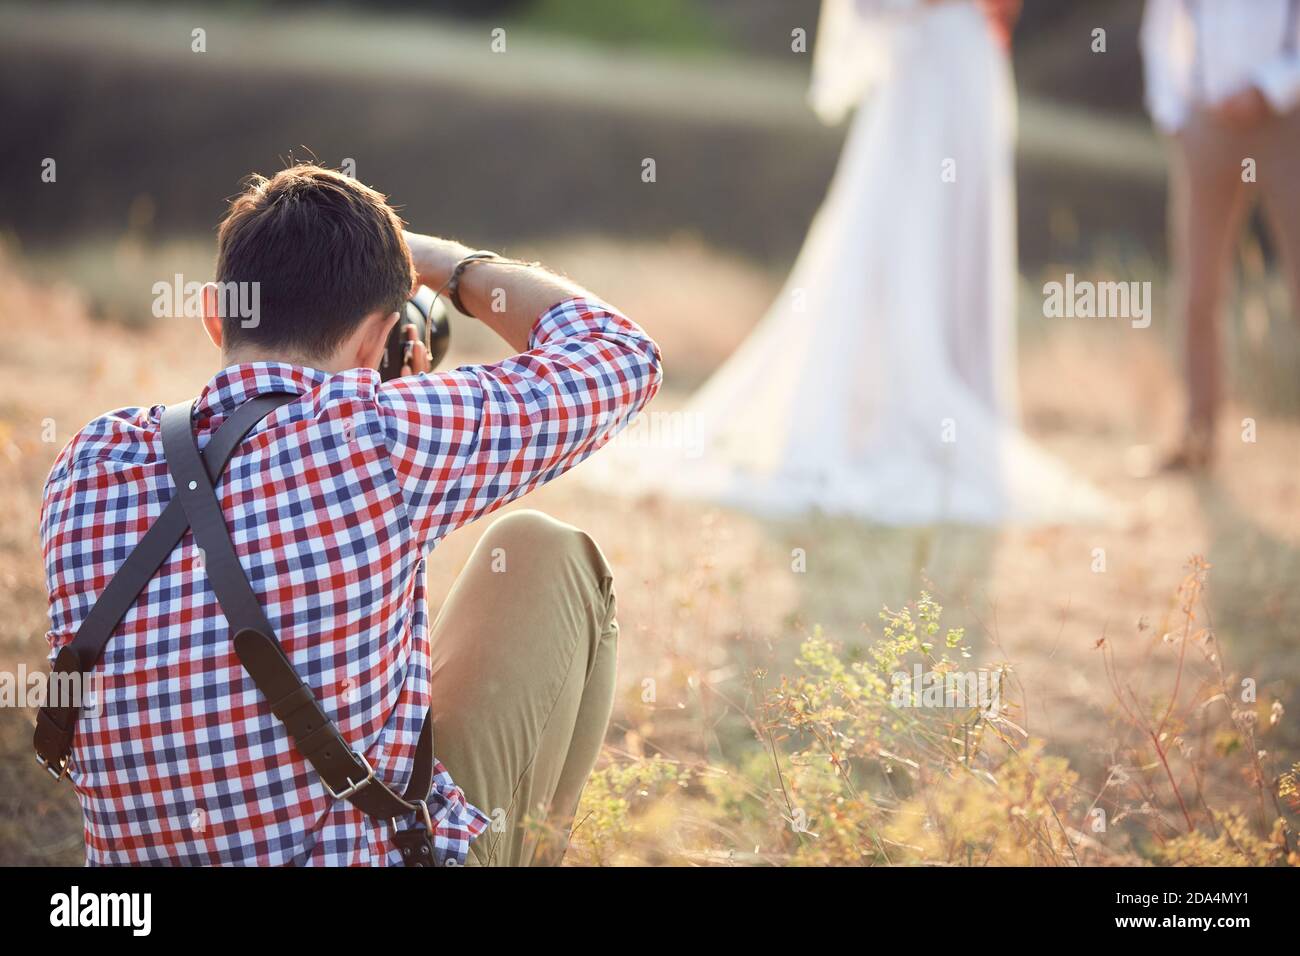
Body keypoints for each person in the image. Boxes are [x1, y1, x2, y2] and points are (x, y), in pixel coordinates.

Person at [38, 164, 662, 866]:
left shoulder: (88, 464)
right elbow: (623, 356)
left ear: (215, 314)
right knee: (549, 553)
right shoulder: (381, 438)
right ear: (379, 341)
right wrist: (447, 266)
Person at [584, 0, 1108, 524]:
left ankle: (962, 402)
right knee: (901, 234)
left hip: (971, 62)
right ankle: (889, 411)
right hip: (926, 74)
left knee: (958, 235)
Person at [1141, 0, 1300, 470]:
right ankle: (1198, 434)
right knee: (1198, 288)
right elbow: (1161, 31)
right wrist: (1173, 116)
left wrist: (1267, 90)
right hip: (1205, 127)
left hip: (1285, 129)